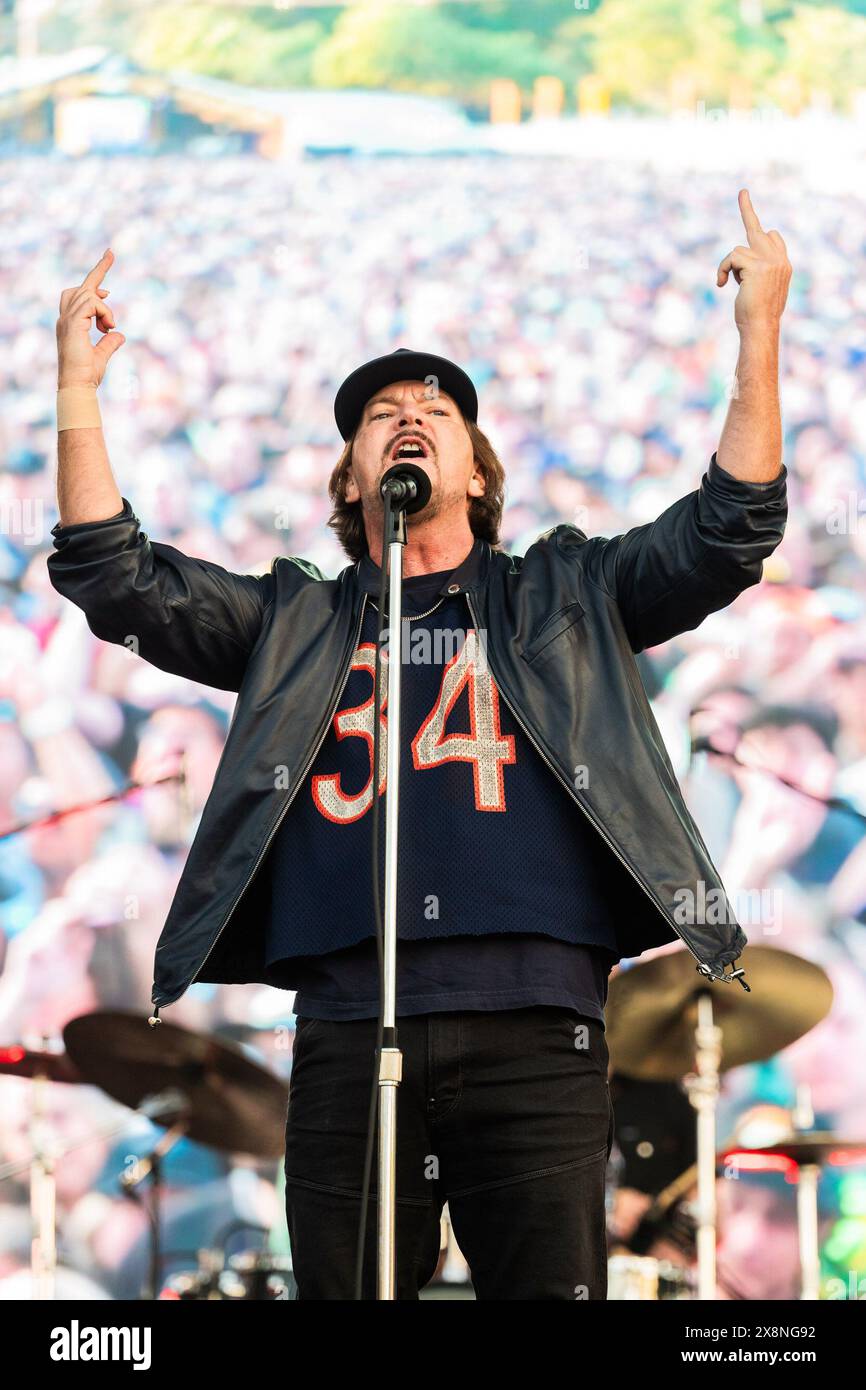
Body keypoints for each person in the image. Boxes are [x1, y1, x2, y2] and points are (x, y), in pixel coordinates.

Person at [47, 189, 791, 1299]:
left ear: (478, 472)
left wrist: (759, 332)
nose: (408, 414)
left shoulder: (568, 591)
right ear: (349, 478)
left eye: (436, 409)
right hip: (351, 1025)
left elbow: (729, 529)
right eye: (379, 412)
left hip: (537, 1024)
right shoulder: (292, 621)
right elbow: (118, 577)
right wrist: (75, 392)